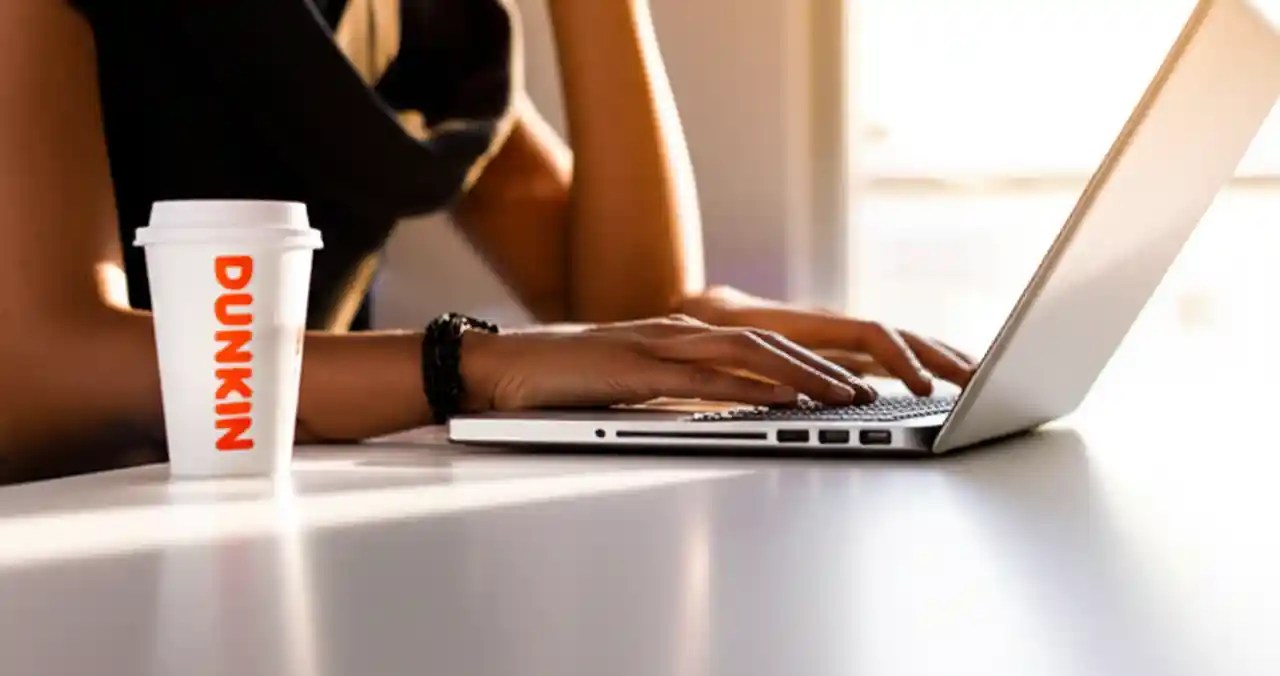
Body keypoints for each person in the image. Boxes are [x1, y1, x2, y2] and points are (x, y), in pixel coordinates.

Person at [0, 0, 975, 482]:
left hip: (243, 528)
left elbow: (617, 296)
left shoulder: (423, 19)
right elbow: (41, 367)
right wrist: (467, 366)